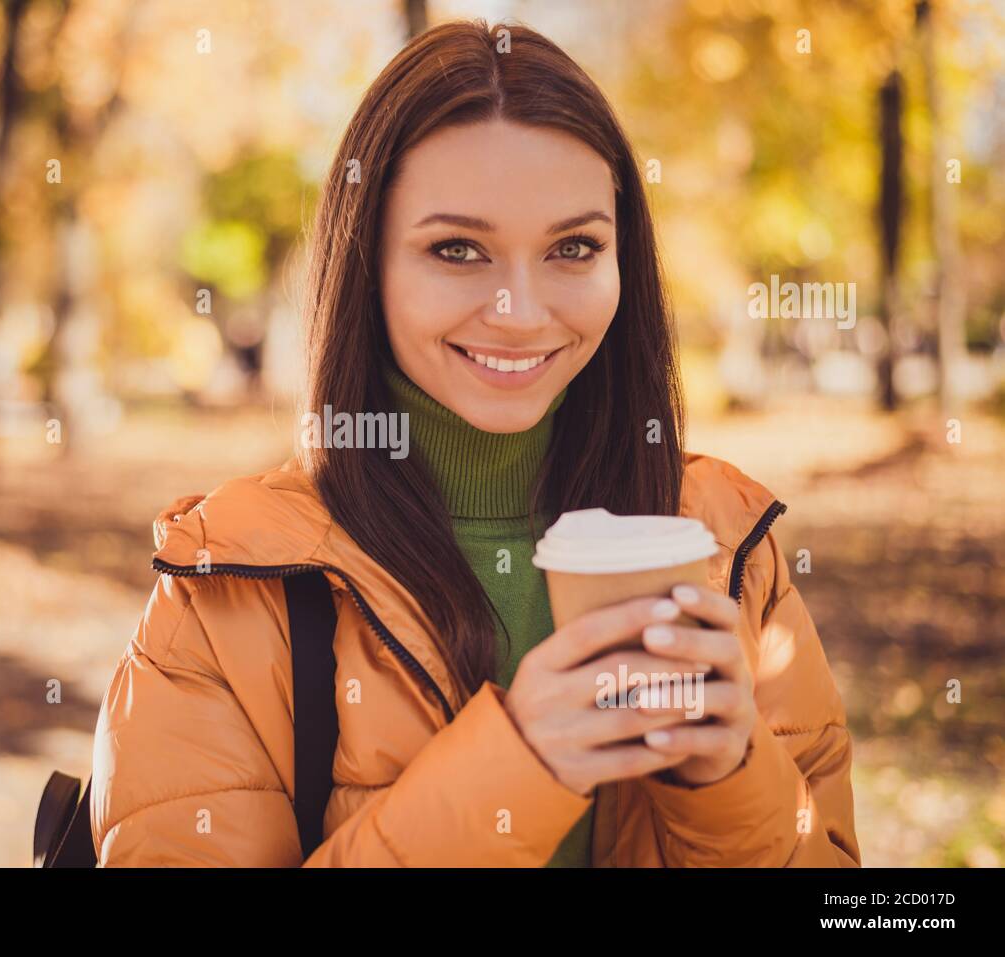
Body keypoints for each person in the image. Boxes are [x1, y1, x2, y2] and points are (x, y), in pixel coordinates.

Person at [90, 18, 860, 867]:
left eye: (574, 247)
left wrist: (729, 780)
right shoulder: (230, 591)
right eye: (458, 249)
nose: (520, 312)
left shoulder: (730, 546)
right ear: (367, 261)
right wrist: (518, 766)